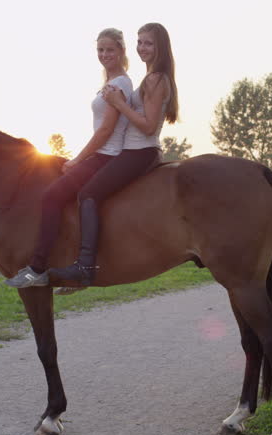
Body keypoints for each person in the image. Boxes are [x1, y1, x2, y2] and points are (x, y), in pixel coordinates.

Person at [48, 22, 180, 286]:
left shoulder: (155, 79)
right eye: (140, 42)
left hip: (140, 151)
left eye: (149, 43)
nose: (142, 48)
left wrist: (120, 103)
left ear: (160, 47)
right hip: (136, 150)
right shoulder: (152, 77)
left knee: (87, 194)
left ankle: (85, 267)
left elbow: (148, 126)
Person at [4, 28, 134, 288]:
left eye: (110, 49)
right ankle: (69, 261)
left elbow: (107, 130)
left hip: (107, 155)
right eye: (100, 50)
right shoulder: (110, 83)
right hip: (101, 154)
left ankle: (38, 268)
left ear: (121, 51)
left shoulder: (119, 84)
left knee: (51, 196)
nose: (105, 54)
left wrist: (78, 159)